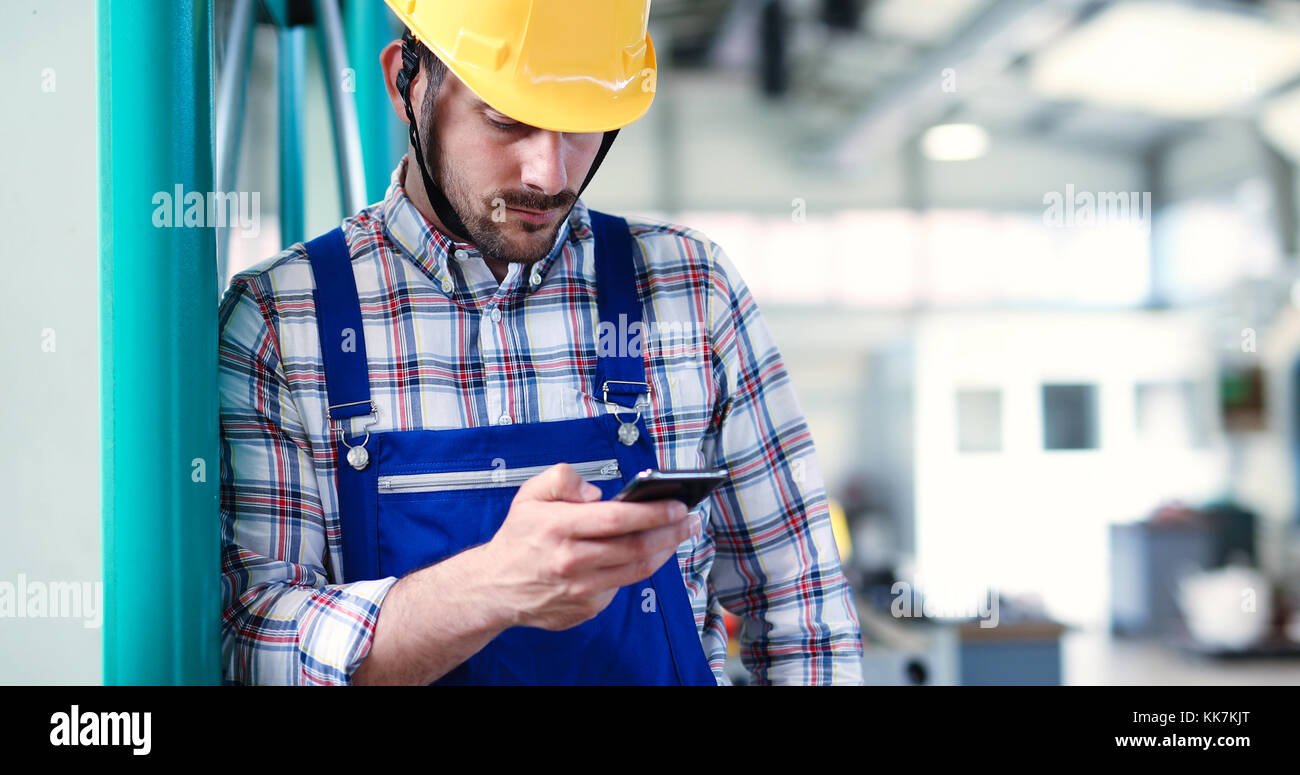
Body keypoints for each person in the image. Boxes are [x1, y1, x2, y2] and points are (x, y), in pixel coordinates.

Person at [218, 0, 863, 685]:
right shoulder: (284, 321)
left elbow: (803, 613)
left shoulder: (691, 292)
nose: (549, 175)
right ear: (407, 84)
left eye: (582, 122)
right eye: (506, 118)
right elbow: (253, 644)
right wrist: (491, 587)